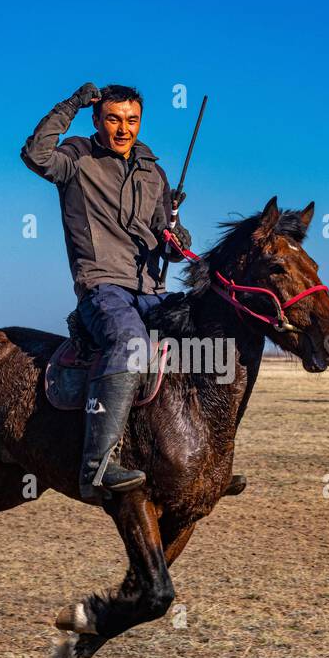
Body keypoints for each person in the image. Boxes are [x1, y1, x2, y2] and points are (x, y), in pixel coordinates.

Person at [21, 82, 195, 501]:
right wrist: (74, 102)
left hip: (151, 289)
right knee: (130, 344)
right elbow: (35, 154)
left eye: (131, 120)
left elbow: (166, 235)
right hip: (102, 286)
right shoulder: (76, 160)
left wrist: (175, 236)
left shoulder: (153, 170)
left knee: (203, 341)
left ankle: (197, 466)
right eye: (113, 119)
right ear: (97, 120)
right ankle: (96, 467)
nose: (123, 129)